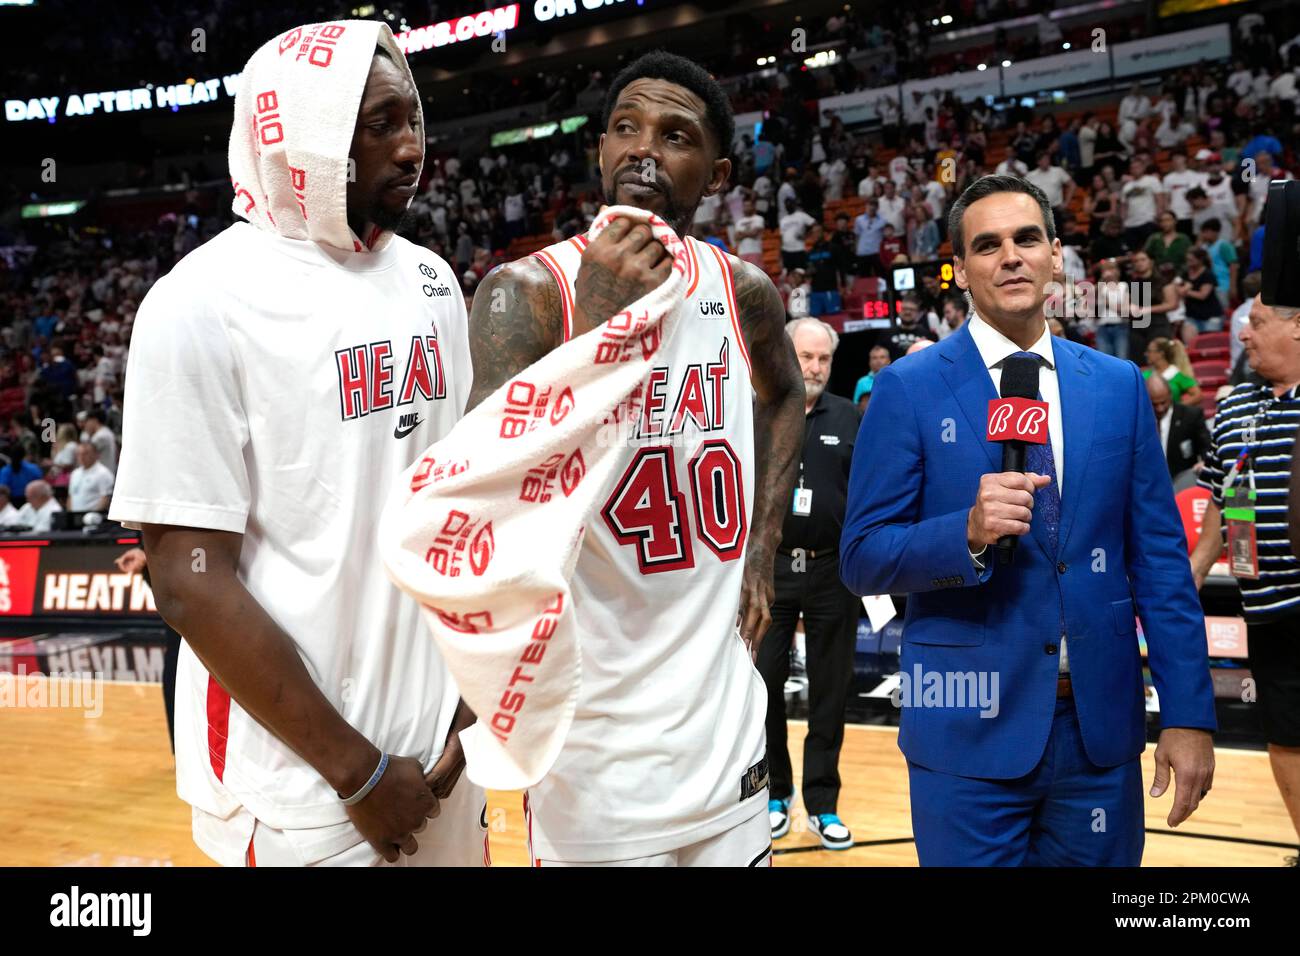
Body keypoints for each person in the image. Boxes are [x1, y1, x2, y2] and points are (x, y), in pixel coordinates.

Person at [108, 23, 486, 868]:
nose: (412, 147)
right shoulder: (198, 303)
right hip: (303, 787)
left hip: (444, 757)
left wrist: (470, 704)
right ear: (307, 143)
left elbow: (461, 508)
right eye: (380, 126)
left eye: (412, 119)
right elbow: (186, 580)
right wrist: (356, 774)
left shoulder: (431, 281)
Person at [466, 50, 804, 867]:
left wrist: (761, 551)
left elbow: (786, 396)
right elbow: (487, 507)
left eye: (675, 134)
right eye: (625, 128)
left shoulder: (741, 289)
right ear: (601, 152)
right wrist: (597, 332)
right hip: (595, 749)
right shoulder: (528, 294)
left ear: (716, 172)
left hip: (725, 735)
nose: (644, 149)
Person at [841, 175, 1216, 866]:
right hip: (965, 731)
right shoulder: (906, 387)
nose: (1010, 256)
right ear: (959, 269)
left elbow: (1160, 562)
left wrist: (1189, 713)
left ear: (1055, 255)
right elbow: (863, 555)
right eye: (987, 245)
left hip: (1098, 732)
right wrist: (966, 532)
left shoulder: (1118, 384)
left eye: (1026, 238)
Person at [1191, 296, 1300, 860]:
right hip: (1265, 606)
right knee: (1285, 733)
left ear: (1298, 326)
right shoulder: (1233, 410)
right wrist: (1194, 572)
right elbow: (1218, 500)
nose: (1244, 338)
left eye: (1256, 325)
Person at [760, 318, 863, 851]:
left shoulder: (849, 417)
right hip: (772, 570)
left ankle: (823, 803)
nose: (814, 367)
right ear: (786, 354)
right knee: (765, 686)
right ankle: (775, 795)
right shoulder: (760, 409)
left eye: (823, 358)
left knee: (830, 691)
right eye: (805, 356)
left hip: (833, 571)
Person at [1147, 374, 1211, 482]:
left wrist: (1205, 461)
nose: (1160, 408)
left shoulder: (1190, 416)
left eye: (1163, 402)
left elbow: (1206, 445)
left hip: (1181, 483)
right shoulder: (1140, 420)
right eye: (1154, 404)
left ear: (1170, 395)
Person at [1177, 248, 1224, 335]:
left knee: (1209, 344)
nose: (1188, 262)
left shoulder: (1208, 274)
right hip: (1191, 315)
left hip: (1210, 315)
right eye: (1187, 260)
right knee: (1190, 342)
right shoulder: (1185, 273)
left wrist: (1185, 292)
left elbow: (1202, 295)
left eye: (1191, 260)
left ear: (1200, 260)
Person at [1143, 337, 1202, 405]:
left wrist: (1177, 409)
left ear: (1161, 353)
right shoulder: (1145, 375)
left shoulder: (1177, 374)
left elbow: (1198, 396)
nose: (1146, 354)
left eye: (1149, 351)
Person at [805, 223, 845, 317]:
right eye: (813, 232)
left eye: (818, 231)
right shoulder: (810, 253)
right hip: (815, 292)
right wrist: (808, 272)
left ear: (823, 233)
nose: (816, 234)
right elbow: (806, 272)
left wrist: (843, 285)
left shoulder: (834, 248)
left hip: (830, 290)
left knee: (835, 318)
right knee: (815, 320)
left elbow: (841, 267)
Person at [67, 441, 115, 513]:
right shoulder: (75, 473)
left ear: (96, 454)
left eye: (85, 454)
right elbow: (71, 496)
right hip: (74, 518)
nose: (81, 457)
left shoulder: (103, 473)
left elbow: (105, 498)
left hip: (92, 519)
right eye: (79, 454)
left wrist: (92, 516)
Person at [779, 198, 816, 272]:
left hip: (799, 249)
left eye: (790, 203)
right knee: (789, 273)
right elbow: (781, 238)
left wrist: (806, 235)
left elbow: (814, 224)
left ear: (794, 205)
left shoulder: (801, 215)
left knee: (801, 271)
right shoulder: (783, 220)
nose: (788, 205)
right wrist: (780, 255)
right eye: (786, 204)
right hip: (786, 251)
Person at [853, 199, 887, 277]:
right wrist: (856, 250)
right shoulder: (859, 220)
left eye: (874, 205)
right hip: (863, 252)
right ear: (866, 206)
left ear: (877, 207)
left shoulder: (883, 221)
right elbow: (857, 236)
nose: (871, 208)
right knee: (864, 277)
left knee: (881, 275)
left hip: (877, 252)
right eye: (869, 205)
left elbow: (885, 236)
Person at [853, 345, 891, 413]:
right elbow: (856, 407)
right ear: (869, 362)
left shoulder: (895, 380)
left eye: (882, 357)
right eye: (874, 358)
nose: (878, 361)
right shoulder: (862, 382)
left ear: (889, 361)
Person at [733, 195, 765, 270]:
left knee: (756, 275)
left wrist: (742, 233)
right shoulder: (739, 221)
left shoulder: (758, 218)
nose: (746, 208)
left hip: (754, 251)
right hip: (742, 252)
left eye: (748, 206)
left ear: (753, 206)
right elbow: (736, 237)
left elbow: (755, 234)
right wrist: (749, 233)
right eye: (745, 206)